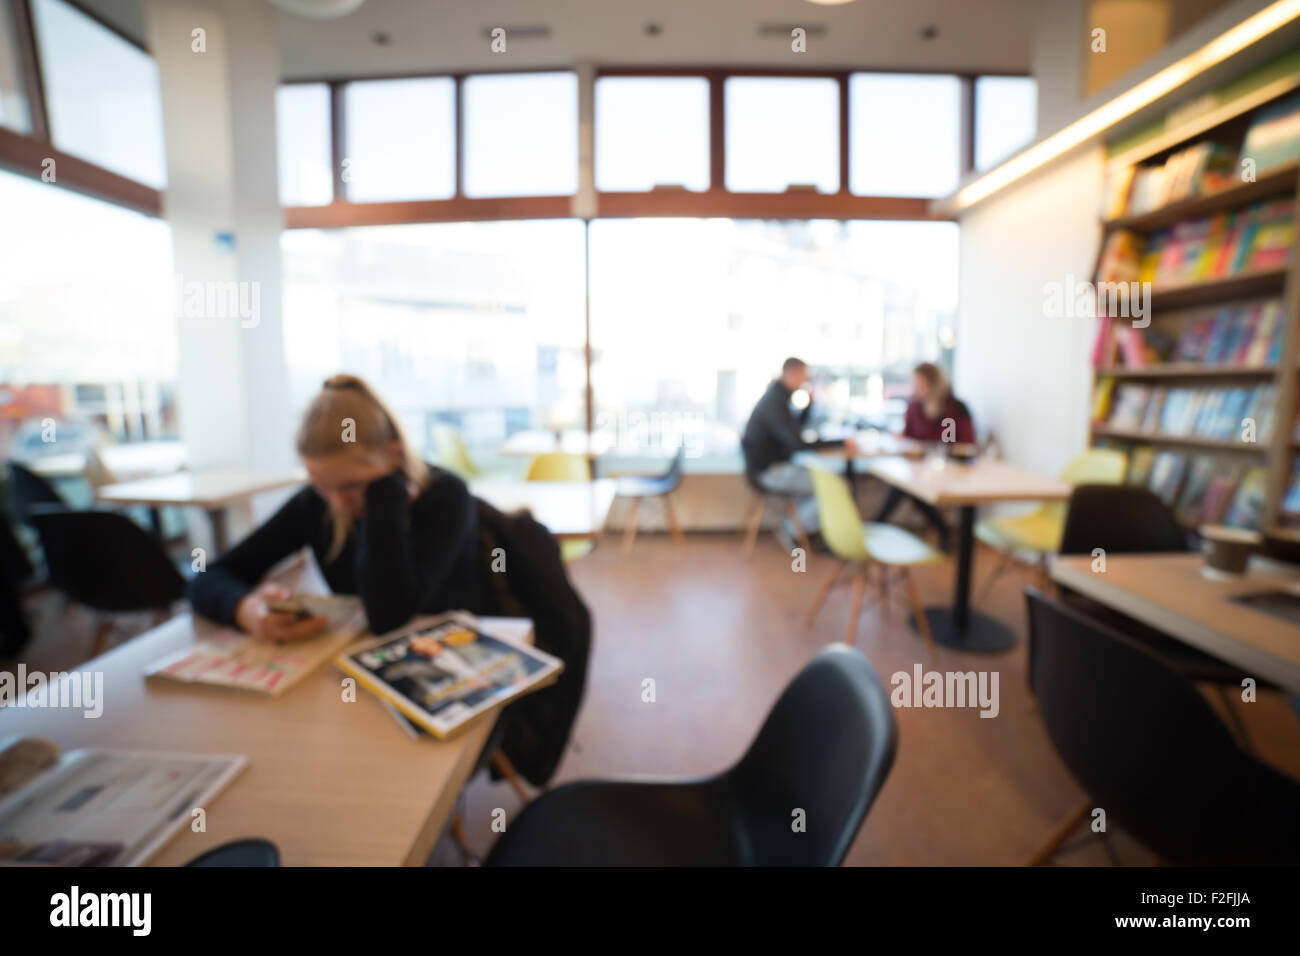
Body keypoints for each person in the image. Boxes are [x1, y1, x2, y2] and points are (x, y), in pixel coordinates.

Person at [189, 374, 485, 639]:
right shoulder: (317, 503)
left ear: (393, 456)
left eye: (351, 486)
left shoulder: (445, 496)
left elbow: (387, 616)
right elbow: (206, 577)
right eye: (321, 485)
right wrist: (247, 610)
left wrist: (384, 499)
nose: (337, 503)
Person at [741, 357, 857, 542]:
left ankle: (802, 528)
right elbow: (797, 443)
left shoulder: (778, 398)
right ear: (791, 374)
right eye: (805, 376)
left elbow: (794, 432)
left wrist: (809, 406)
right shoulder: (774, 402)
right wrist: (838, 443)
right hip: (770, 472)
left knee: (828, 481)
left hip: (775, 467)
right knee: (839, 487)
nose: (806, 381)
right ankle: (792, 529)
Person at [874, 361, 976, 550]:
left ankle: (876, 525)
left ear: (934, 384)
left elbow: (955, 444)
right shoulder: (914, 406)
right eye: (915, 384)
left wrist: (931, 449)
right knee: (906, 486)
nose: (917, 389)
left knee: (906, 488)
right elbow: (908, 435)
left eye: (921, 384)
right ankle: (943, 531)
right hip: (920, 467)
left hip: (950, 468)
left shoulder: (953, 409)